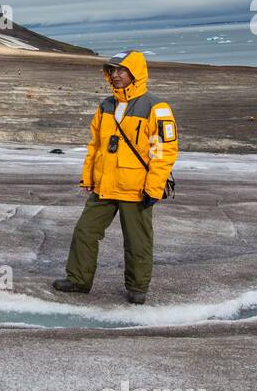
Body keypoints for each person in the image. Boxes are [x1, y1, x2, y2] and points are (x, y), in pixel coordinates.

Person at [53, 50, 178, 304]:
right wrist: (88, 178)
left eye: (121, 70)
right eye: (112, 70)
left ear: (136, 73)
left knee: (137, 241)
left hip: (137, 189)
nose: (116, 75)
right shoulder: (105, 105)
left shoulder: (157, 107)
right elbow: (95, 145)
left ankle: (137, 288)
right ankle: (78, 280)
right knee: (84, 232)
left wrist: (153, 189)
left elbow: (164, 151)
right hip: (104, 185)